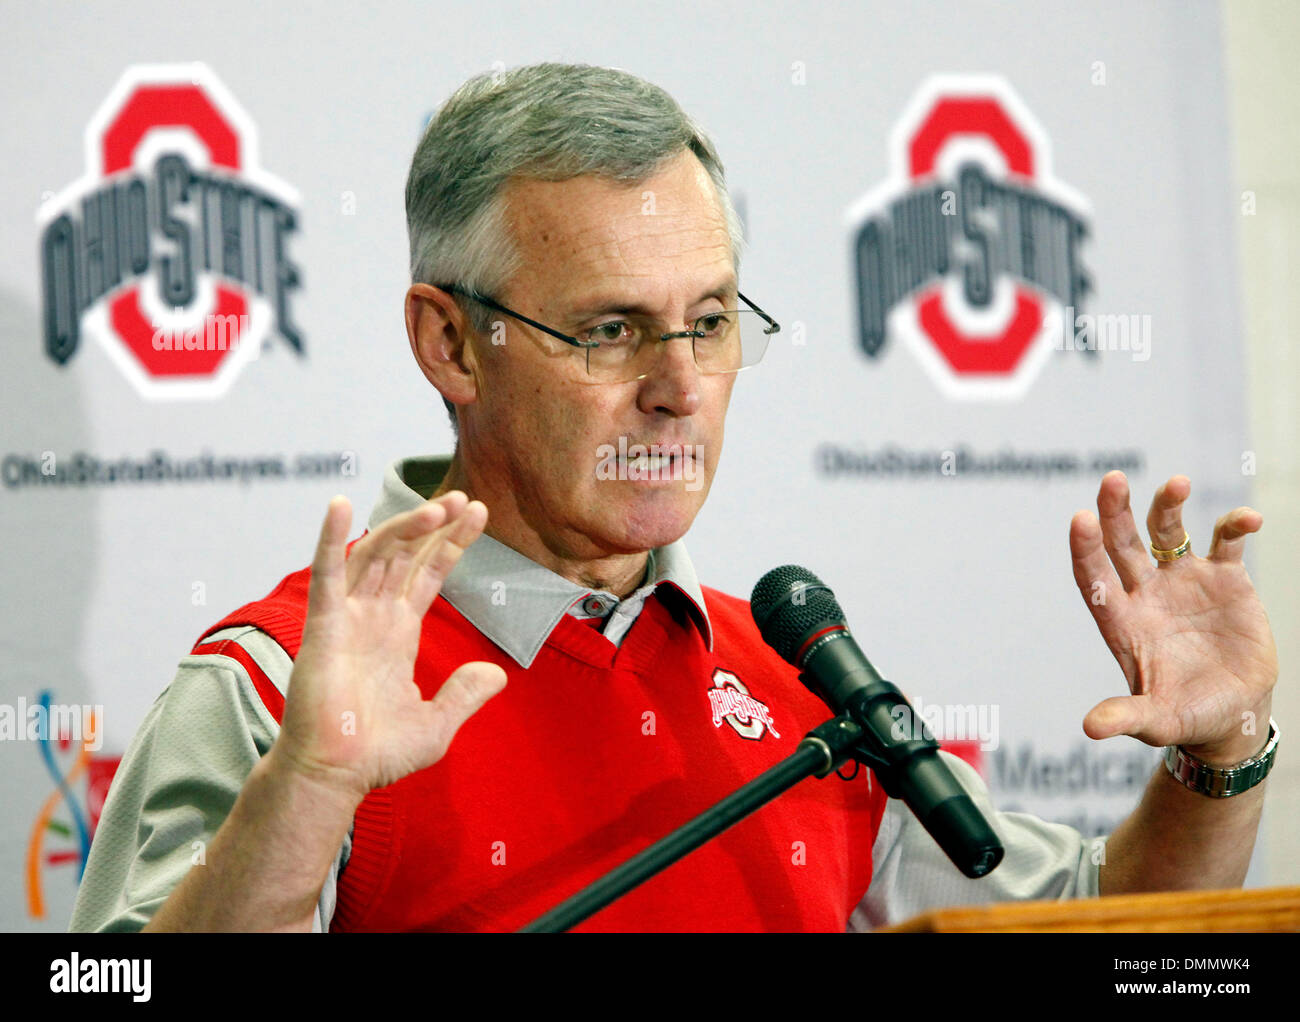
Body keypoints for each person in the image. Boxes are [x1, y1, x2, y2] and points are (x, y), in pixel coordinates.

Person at [69, 63, 1278, 933]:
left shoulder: (804, 683)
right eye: (610, 331)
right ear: (450, 344)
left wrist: (1217, 752)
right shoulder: (277, 691)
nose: (681, 387)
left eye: (709, 321)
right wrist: (312, 788)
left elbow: (1119, 932)